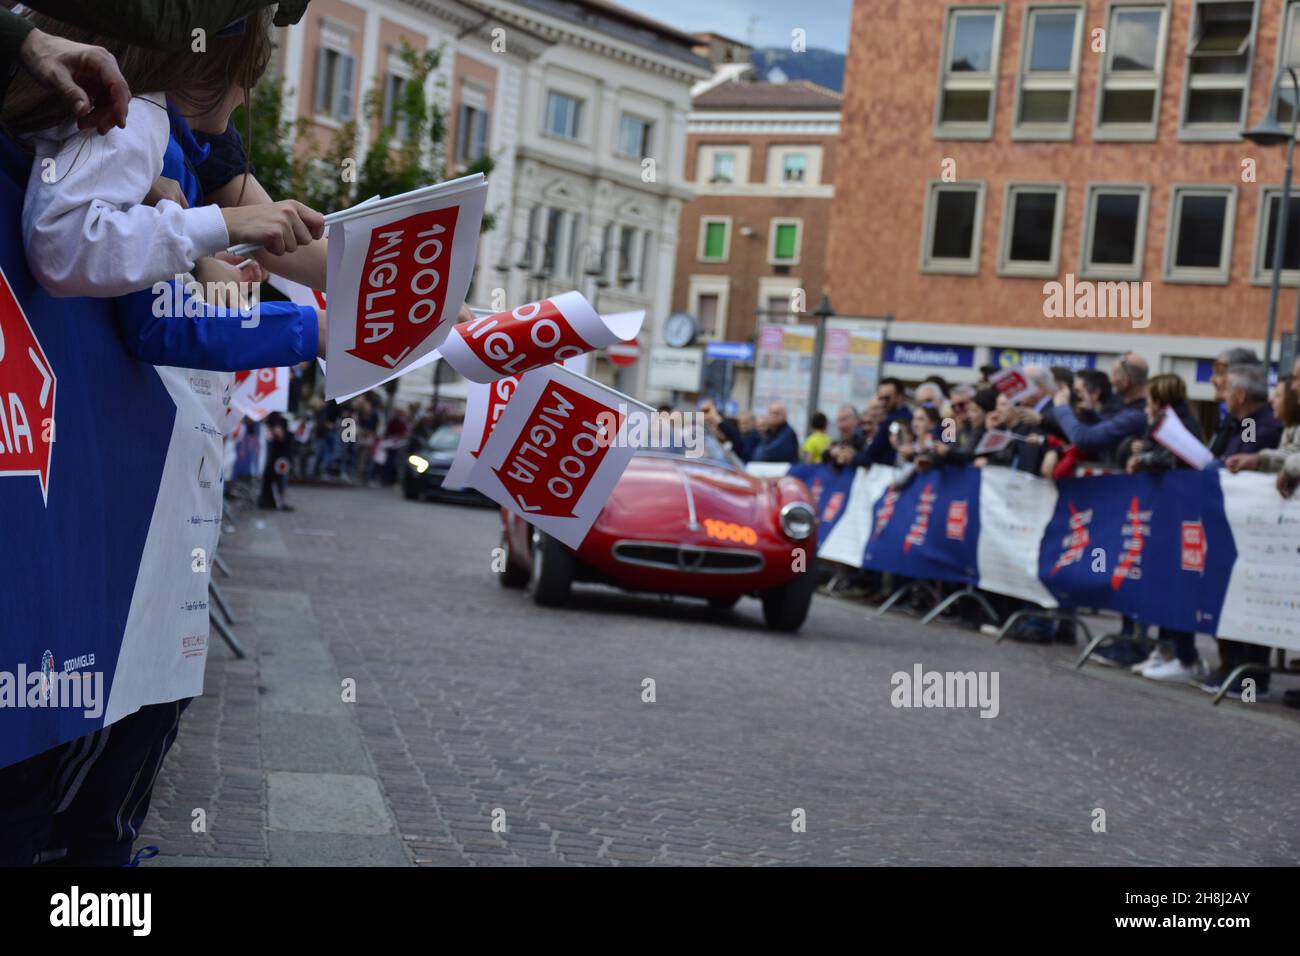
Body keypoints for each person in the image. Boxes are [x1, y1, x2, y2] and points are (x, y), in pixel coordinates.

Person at [1122, 374, 1207, 682]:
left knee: (1174, 583)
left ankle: (1184, 655)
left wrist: (1144, 457)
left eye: (1150, 399)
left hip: (1177, 512)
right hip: (1166, 511)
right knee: (1160, 581)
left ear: (1159, 400)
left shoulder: (1178, 425)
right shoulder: (1164, 423)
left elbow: (1174, 459)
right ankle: (1166, 649)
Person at [1051, 352, 1149, 468]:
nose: (1111, 381)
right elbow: (1112, 428)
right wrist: (1090, 413)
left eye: (1114, 375)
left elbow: (1083, 438)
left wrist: (1062, 407)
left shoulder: (1135, 415)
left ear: (1125, 381)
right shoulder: (1133, 410)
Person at [853, 378, 912, 467]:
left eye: (887, 398)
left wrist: (853, 457)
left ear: (899, 397)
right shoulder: (903, 416)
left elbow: (871, 455)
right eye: (880, 398)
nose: (882, 402)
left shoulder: (892, 421)